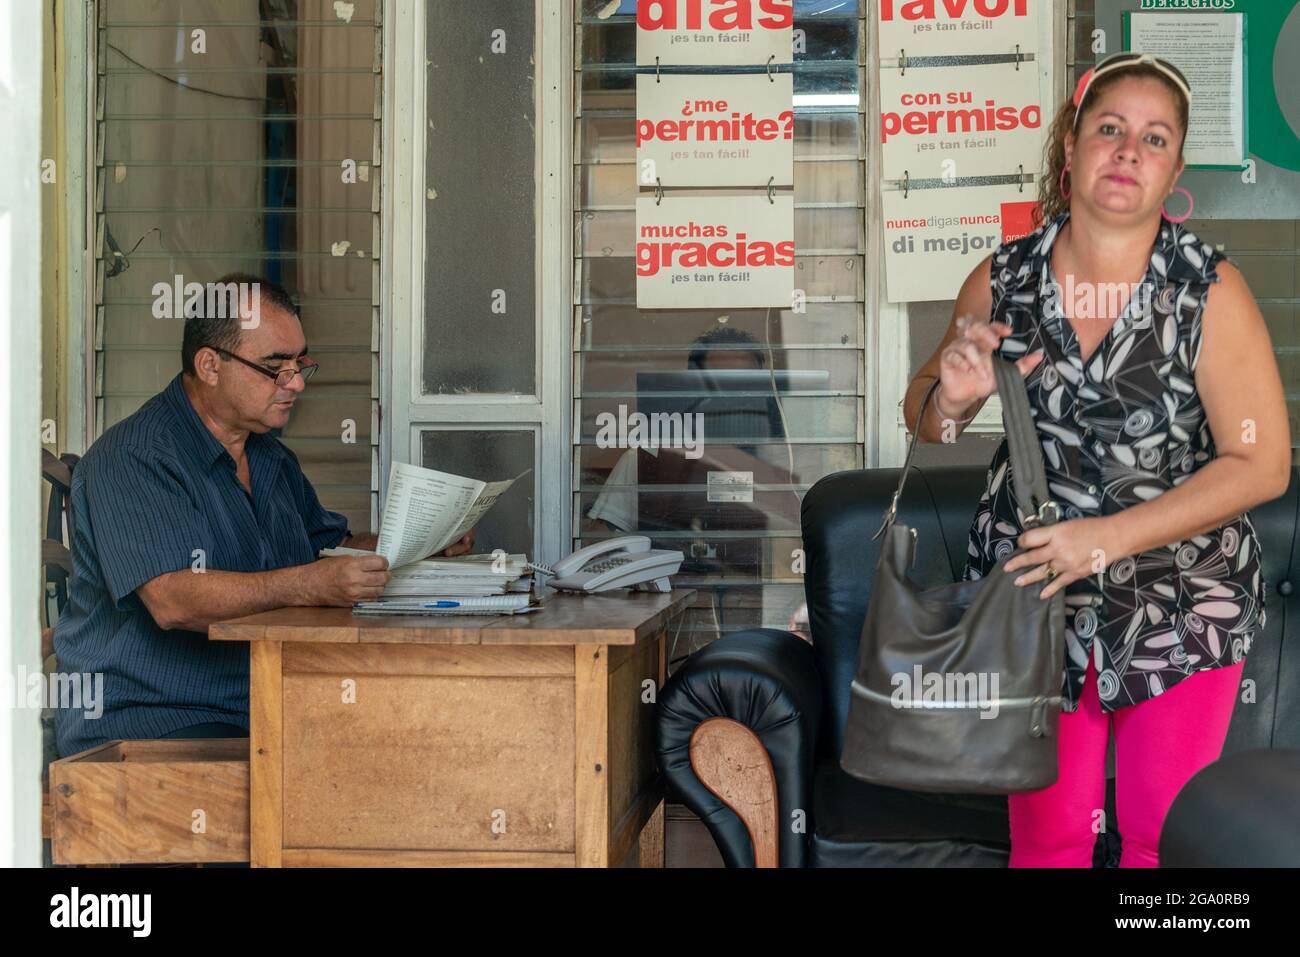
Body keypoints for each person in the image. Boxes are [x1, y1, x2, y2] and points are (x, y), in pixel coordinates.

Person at [903, 53, 1289, 867]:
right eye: (1109, 129)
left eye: (1154, 139)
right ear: (1071, 147)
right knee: (1048, 844)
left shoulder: (1209, 292)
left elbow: (1262, 466)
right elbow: (925, 420)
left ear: (1175, 171)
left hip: (1186, 601)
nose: (1128, 151)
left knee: (1165, 843)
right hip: (1036, 606)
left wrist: (1108, 537)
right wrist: (951, 398)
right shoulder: (1002, 279)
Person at [53, 273, 473, 757]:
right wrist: (308, 584)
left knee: (426, 735)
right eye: (276, 366)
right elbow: (174, 600)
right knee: (355, 773)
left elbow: (326, 550)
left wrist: (418, 540)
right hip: (151, 719)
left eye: (300, 363)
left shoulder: (271, 457)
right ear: (210, 365)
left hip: (264, 702)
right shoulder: (134, 456)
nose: (295, 382)